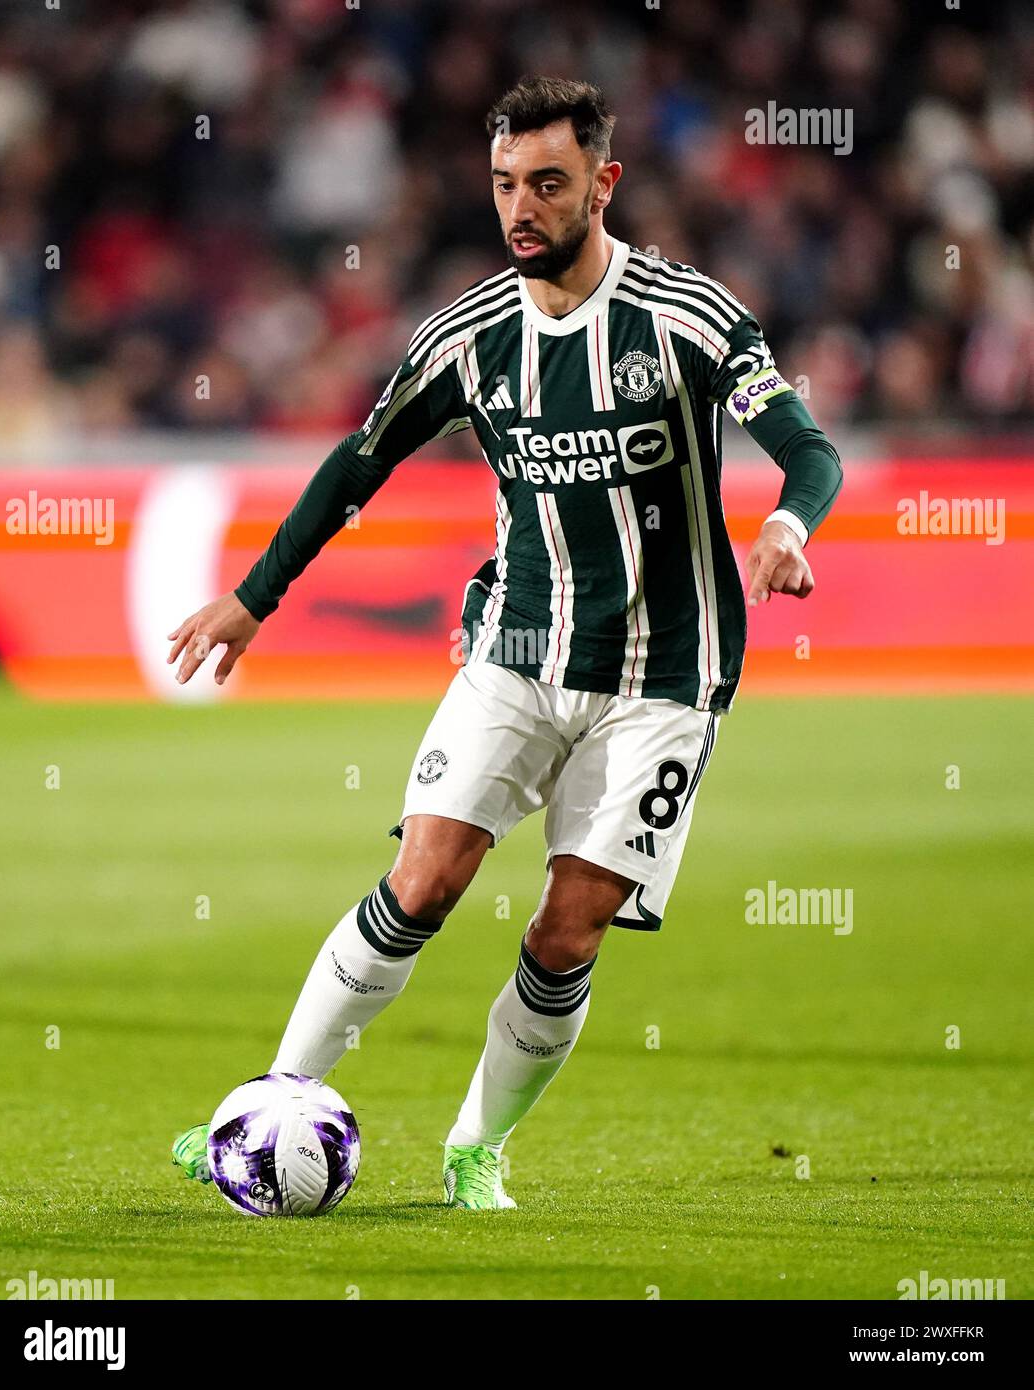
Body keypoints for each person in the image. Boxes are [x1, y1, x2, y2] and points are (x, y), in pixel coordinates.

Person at [167, 76, 842, 1210]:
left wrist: (784, 521)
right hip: (518, 649)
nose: (520, 207)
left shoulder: (688, 316)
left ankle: (476, 1146)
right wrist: (252, 596)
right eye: (502, 186)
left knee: (569, 924)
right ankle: (274, 1097)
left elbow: (808, 446)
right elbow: (357, 465)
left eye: (546, 184)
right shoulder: (468, 337)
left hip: (663, 679)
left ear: (602, 184)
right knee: (425, 873)